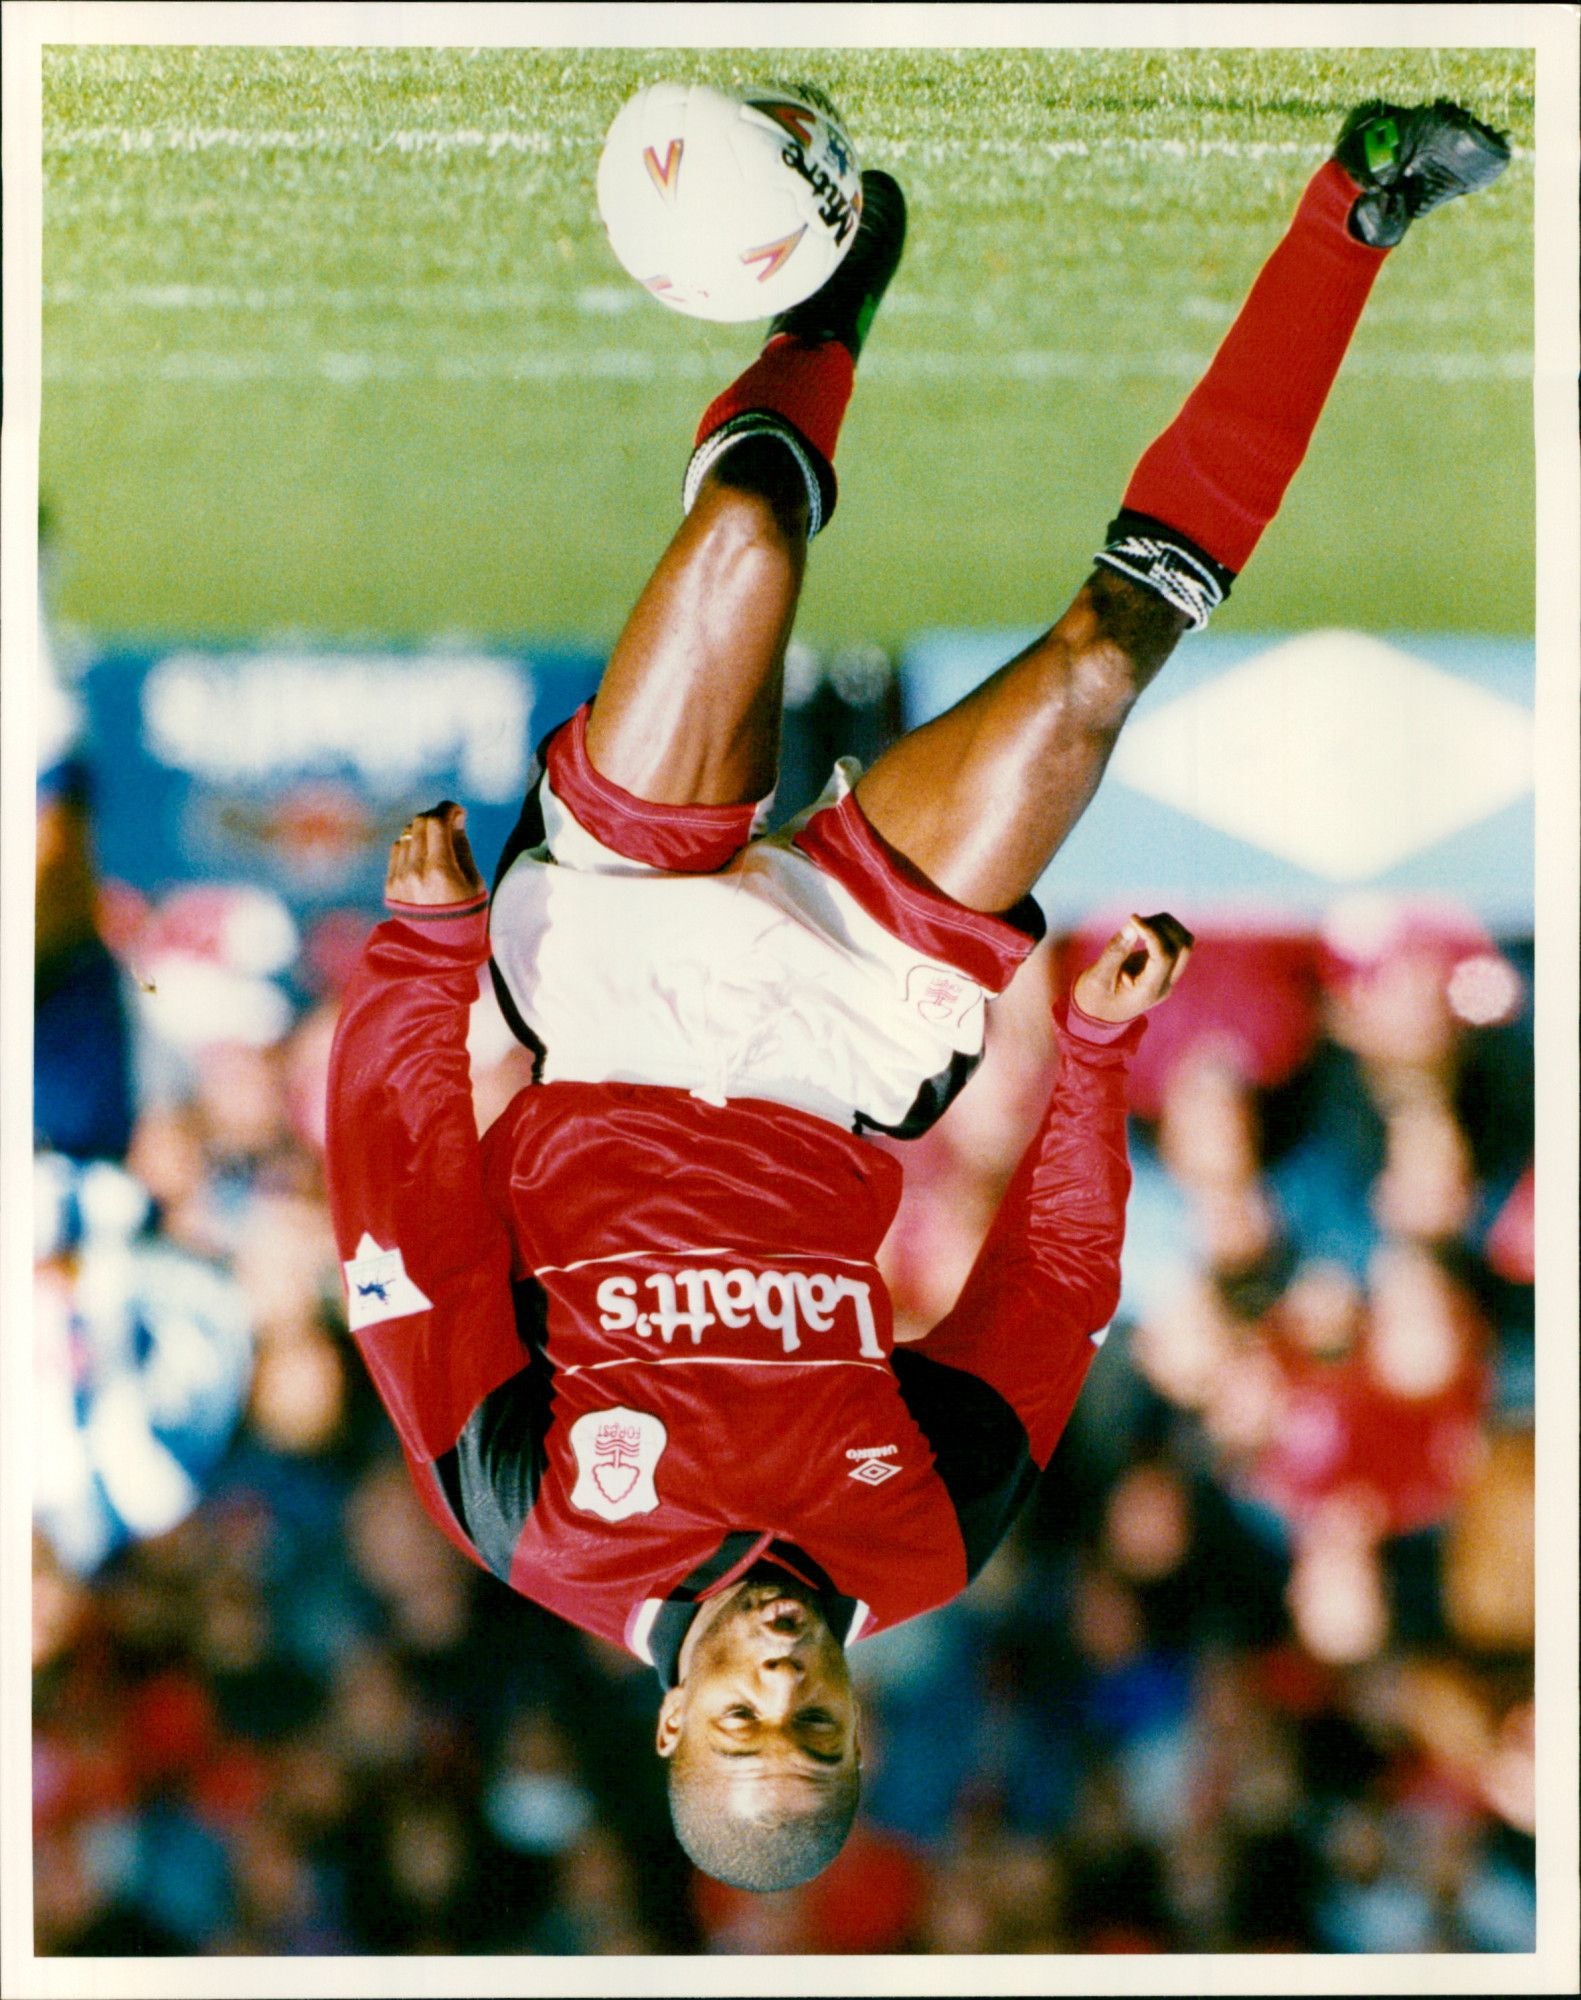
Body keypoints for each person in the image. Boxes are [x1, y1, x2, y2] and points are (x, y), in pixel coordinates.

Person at [325, 98, 1509, 1891]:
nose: (781, 1690)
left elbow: (397, 1232)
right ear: (862, 1726)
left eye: (742, 1721)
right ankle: (1358, 204)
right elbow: (1051, 1286)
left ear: (671, 1720)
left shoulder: (535, 1528)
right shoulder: (930, 1536)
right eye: (815, 1727)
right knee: (1109, 663)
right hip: (843, 1039)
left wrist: (419, 964)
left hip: (616, 991)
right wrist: (1091, 1048)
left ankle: (828, 299)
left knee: (741, 541)